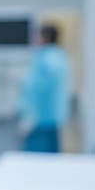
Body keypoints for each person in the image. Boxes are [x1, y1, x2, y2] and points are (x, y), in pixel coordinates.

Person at [18, 23, 69, 153]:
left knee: (36, 160)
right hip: (54, 118)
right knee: (51, 159)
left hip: (39, 120)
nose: (35, 39)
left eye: (37, 36)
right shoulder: (59, 57)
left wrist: (29, 116)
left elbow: (35, 89)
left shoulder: (44, 59)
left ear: (45, 37)